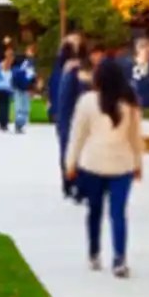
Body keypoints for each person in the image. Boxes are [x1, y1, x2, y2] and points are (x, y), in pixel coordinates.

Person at [65, 57, 144, 277]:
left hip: (93, 164)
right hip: (122, 165)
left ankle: (94, 253)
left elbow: (77, 135)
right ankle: (119, 258)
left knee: (94, 211)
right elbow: (135, 137)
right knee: (118, 213)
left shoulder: (87, 101)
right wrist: (138, 164)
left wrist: (70, 163)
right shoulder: (129, 103)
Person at [54, 38, 88, 200]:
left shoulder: (82, 68)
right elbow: (55, 88)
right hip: (65, 113)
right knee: (67, 148)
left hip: (77, 112)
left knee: (79, 149)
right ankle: (68, 182)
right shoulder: (62, 68)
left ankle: (77, 185)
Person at [12, 44, 37, 134]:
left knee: (20, 106)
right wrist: (32, 87)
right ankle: (21, 124)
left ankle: (19, 123)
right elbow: (31, 76)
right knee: (23, 107)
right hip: (24, 87)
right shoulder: (29, 62)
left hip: (20, 86)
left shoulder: (22, 62)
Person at [0, 47, 15, 133]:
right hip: (5, 87)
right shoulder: (8, 67)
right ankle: (4, 123)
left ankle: (2, 122)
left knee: (1, 105)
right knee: (5, 105)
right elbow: (10, 77)